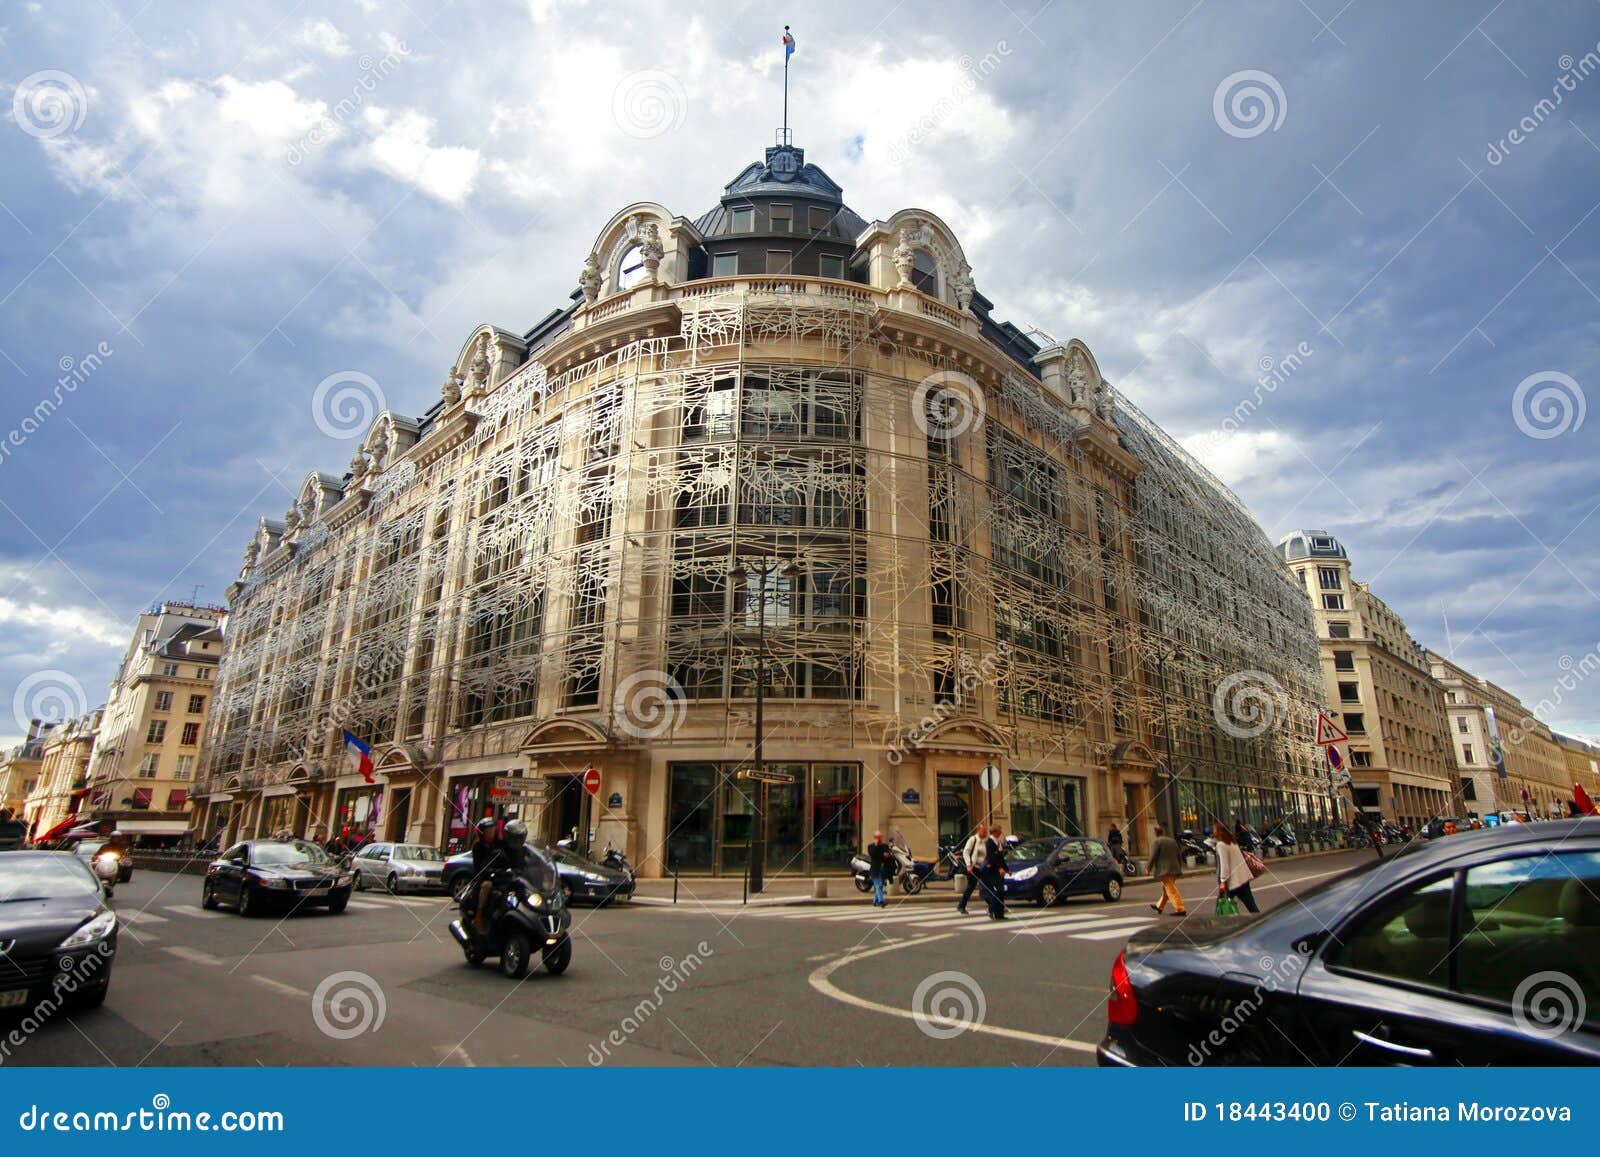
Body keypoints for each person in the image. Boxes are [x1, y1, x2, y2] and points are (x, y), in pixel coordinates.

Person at [470, 816, 511, 933]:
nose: (491, 833)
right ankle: (479, 914)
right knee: (487, 886)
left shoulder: (499, 844)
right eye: (489, 831)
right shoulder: (479, 846)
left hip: (500, 877)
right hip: (485, 878)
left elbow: (508, 858)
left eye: (493, 830)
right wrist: (489, 871)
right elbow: (479, 866)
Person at [1213, 822, 1259, 914]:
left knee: (1221, 906)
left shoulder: (1221, 845)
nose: (1213, 832)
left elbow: (1224, 865)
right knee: (1251, 906)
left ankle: (1219, 924)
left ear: (1220, 832)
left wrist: (1223, 881)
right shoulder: (1233, 842)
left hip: (1232, 881)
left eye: (1214, 830)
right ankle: (1262, 922)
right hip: (1243, 879)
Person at [1147, 824, 1187, 916]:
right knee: (1167, 889)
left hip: (1165, 869)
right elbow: (1178, 855)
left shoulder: (1157, 841)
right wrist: (1179, 867)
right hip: (1175, 868)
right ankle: (1159, 906)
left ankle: (1180, 909)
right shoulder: (1172, 841)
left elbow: (1153, 856)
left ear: (1155, 833)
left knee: (1171, 890)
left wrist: (1148, 868)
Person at [956, 823, 987, 915]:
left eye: (986, 831)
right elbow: (966, 852)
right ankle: (961, 905)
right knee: (971, 887)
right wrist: (969, 865)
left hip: (983, 867)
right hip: (974, 867)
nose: (985, 833)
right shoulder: (973, 839)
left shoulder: (985, 841)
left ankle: (994, 905)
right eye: (983, 831)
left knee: (987, 885)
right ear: (978, 830)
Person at [982, 824, 1009, 920]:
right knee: (998, 890)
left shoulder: (998, 842)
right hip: (992, 870)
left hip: (998, 870)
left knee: (1000, 891)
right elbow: (991, 858)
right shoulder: (989, 842)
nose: (1001, 832)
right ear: (994, 832)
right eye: (999, 831)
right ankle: (990, 909)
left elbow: (1001, 858)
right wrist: (999, 868)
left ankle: (999, 914)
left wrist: (1006, 869)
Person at [865, 830, 895, 907]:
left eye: (880, 837)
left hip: (883, 869)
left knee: (880, 885)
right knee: (878, 885)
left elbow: (888, 855)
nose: (879, 839)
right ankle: (881, 901)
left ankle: (875, 901)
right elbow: (873, 853)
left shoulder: (884, 846)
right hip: (875, 869)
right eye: (877, 837)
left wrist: (887, 855)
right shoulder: (871, 846)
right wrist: (876, 845)